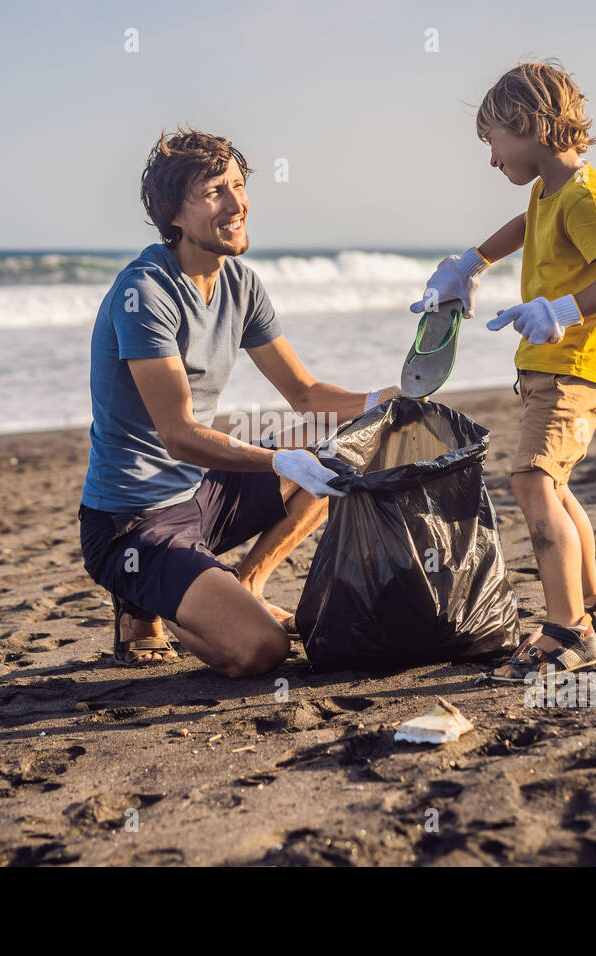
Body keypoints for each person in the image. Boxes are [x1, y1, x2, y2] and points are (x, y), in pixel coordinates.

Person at [79, 128, 401, 677]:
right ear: (172, 213)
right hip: (133, 524)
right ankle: (150, 599)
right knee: (261, 649)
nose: (236, 205)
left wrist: (385, 400)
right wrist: (277, 460)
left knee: (339, 451)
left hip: (201, 497)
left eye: (238, 185)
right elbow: (178, 435)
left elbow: (304, 394)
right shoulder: (146, 293)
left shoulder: (240, 283)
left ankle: (244, 582)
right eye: (213, 192)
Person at [410, 60, 596, 681]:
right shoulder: (550, 192)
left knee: (531, 485)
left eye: (493, 140)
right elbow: (527, 224)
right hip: (552, 370)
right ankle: (591, 610)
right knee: (554, 486)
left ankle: (567, 631)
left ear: (525, 124)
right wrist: (472, 262)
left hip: (573, 368)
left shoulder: (586, 195)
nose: (492, 158)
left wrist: (564, 309)